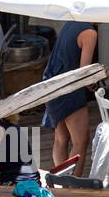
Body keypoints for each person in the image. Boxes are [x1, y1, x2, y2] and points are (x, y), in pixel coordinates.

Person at [42, 20, 98, 174]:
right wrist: (94, 82)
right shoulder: (90, 33)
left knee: (61, 138)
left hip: (51, 83)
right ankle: (73, 184)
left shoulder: (71, 23)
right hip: (69, 87)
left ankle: (61, 181)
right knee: (81, 141)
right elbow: (83, 72)